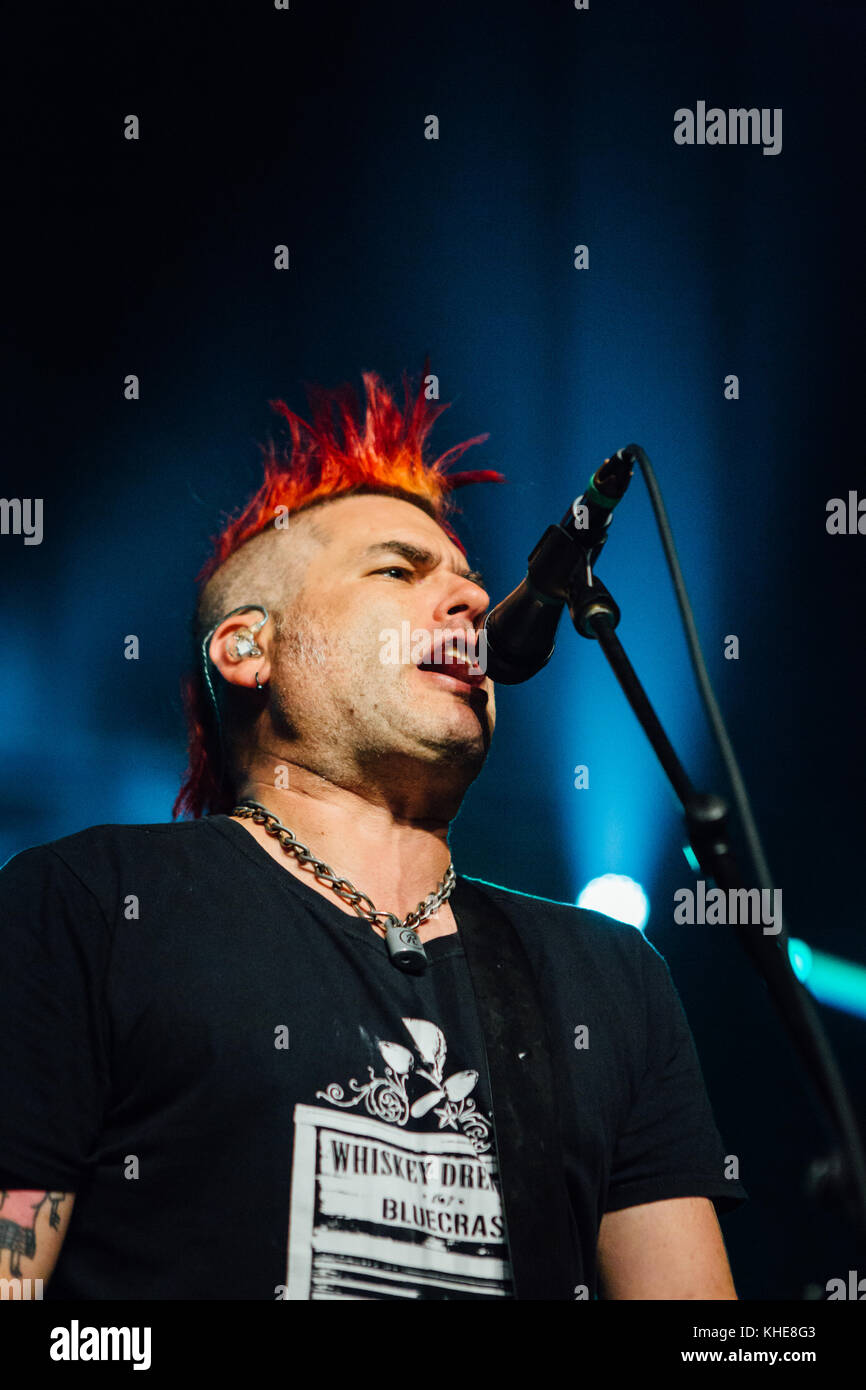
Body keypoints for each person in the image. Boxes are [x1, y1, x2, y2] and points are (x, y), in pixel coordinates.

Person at [0, 369, 746, 1300]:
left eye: (471, 585)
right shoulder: (89, 907)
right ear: (247, 648)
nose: (473, 604)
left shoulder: (610, 975)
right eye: (398, 570)